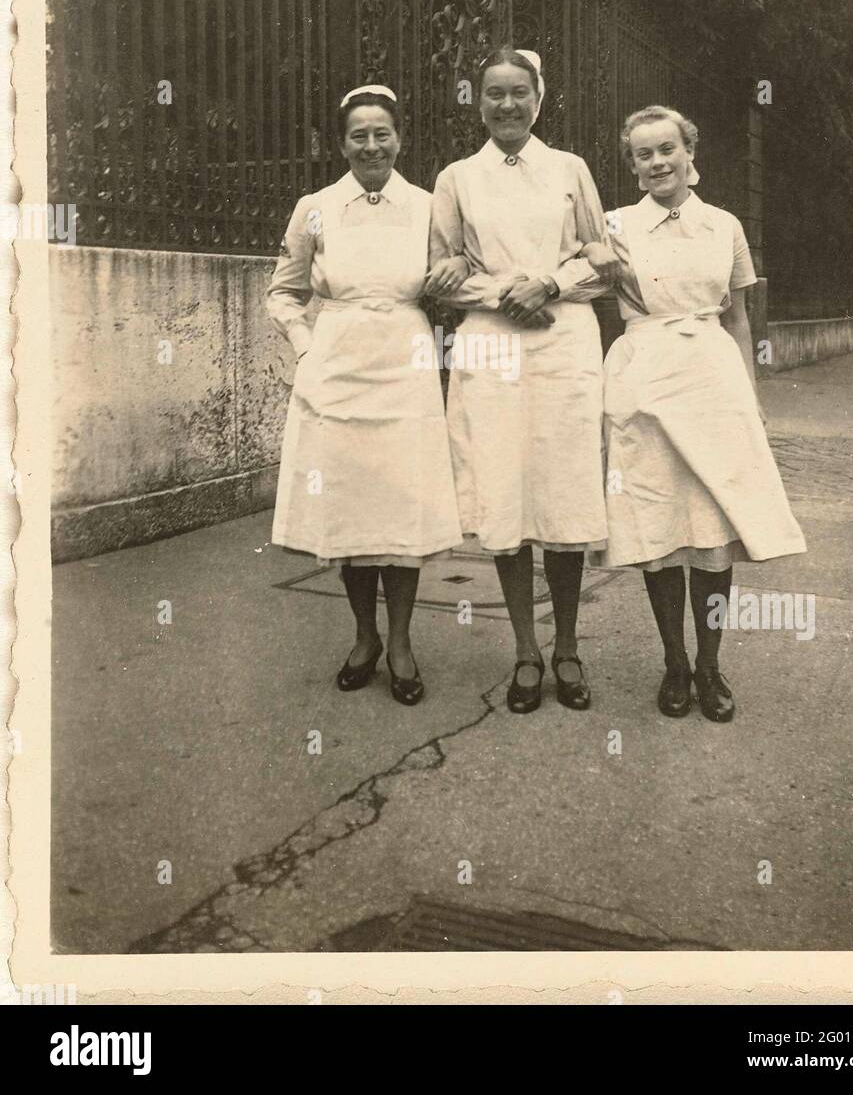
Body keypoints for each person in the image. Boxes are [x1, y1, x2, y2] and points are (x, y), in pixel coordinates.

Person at [584, 105, 806, 722]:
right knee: (657, 525)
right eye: (644, 154)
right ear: (632, 167)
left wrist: (751, 397)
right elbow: (578, 287)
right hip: (643, 378)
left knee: (711, 530)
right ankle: (674, 662)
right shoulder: (614, 227)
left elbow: (737, 320)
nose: (658, 162)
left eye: (667, 150)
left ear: (690, 154)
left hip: (712, 380)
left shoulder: (724, 226)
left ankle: (710, 664)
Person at [267, 84, 464, 705]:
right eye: (359, 135)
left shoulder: (430, 206)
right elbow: (284, 291)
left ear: (399, 138)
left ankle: (401, 642)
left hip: (406, 364)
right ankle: (363, 637)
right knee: (353, 508)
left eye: (383, 134)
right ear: (342, 142)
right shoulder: (316, 207)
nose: (372, 146)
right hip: (337, 366)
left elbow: (455, 278)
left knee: (400, 508)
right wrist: (306, 348)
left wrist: (456, 274)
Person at [427, 48, 607, 713]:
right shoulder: (458, 178)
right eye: (492, 94)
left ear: (539, 96)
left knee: (560, 496)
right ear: (477, 100)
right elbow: (438, 270)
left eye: (518, 93)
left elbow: (605, 259)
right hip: (493, 345)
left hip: (563, 344)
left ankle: (568, 649)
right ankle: (526, 654)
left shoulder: (569, 171)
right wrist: (508, 294)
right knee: (505, 495)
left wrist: (550, 283)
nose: (506, 105)